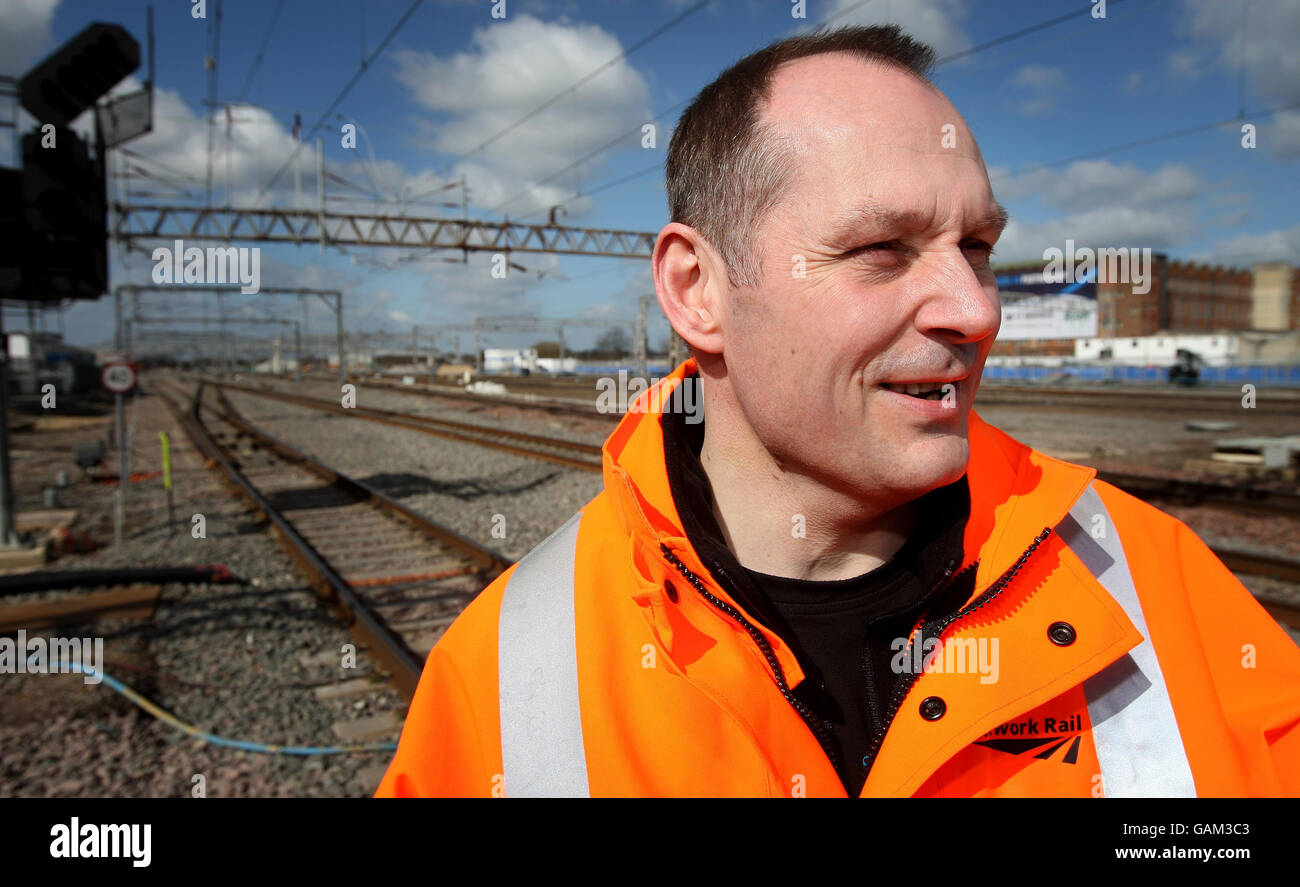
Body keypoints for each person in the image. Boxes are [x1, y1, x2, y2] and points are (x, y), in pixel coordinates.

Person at [376, 24, 1300, 798]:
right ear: (698, 290)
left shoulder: (1158, 586)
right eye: (882, 248)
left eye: (975, 245)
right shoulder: (510, 673)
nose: (977, 311)